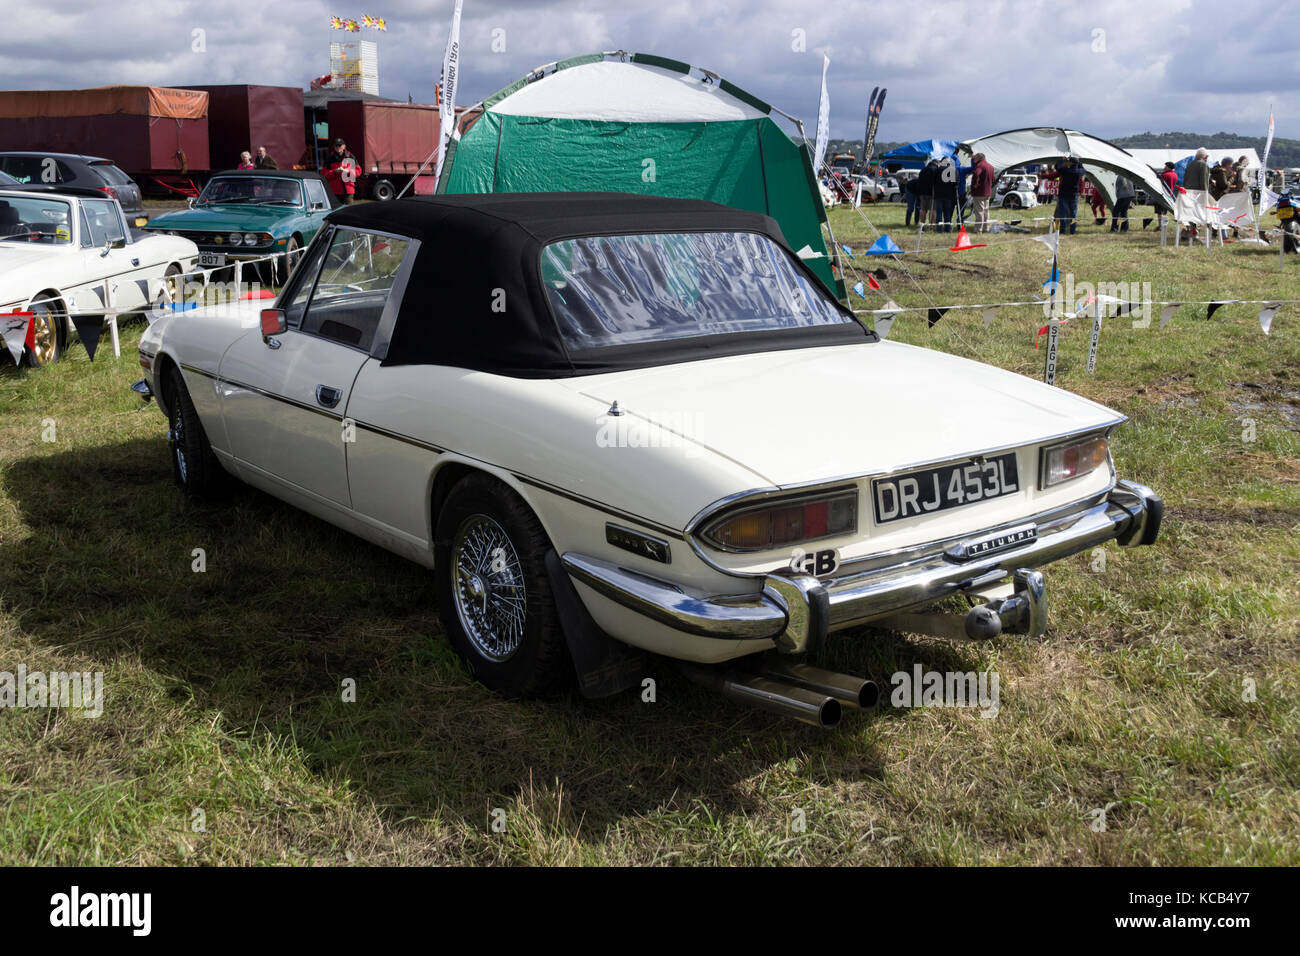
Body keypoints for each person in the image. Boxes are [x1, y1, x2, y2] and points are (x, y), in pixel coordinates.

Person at [1052, 154, 1085, 234]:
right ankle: (1072, 231)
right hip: (1074, 195)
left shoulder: (1065, 170)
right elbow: (1083, 169)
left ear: (1071, 163)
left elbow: (1057, 167)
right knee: (1073, 215)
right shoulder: (1079, 172)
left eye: (1069, 161)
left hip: (1063, 195)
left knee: (1062, 214)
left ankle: (1062, 230)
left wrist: (1062, 160)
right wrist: (1078, 161)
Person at [322, 138, 358, 204]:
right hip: (335, 191)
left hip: (348, 190)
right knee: (337, 211)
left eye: (340, 145)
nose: (338, 147)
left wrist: (349, 171)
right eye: (336, 145)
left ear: (344, 146)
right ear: (334, 147)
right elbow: (324, 174)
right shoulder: (329, 158)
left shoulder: (350, 157)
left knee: (349, 211)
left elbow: (358, 171)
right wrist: (334, 172)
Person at [969, 152, 995, 232]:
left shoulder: (980, 165)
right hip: (988, 192)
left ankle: (978, 229)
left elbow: (976, 173)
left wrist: (975, 184)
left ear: (979, 158)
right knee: (986, 211)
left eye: (975, 158)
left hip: (979, 192)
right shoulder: (990, 166)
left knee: (979, 211)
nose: (974, 160)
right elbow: (993, 179)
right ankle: (985, 228)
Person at [916, 158, 939, 229]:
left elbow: (919, 181)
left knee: (923, 209)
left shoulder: (923, 170)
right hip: (932, 193)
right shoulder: (936, 170)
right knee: (933, 210)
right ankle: (932, 225)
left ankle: (922, 224)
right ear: (937, 163)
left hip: (922, 193)